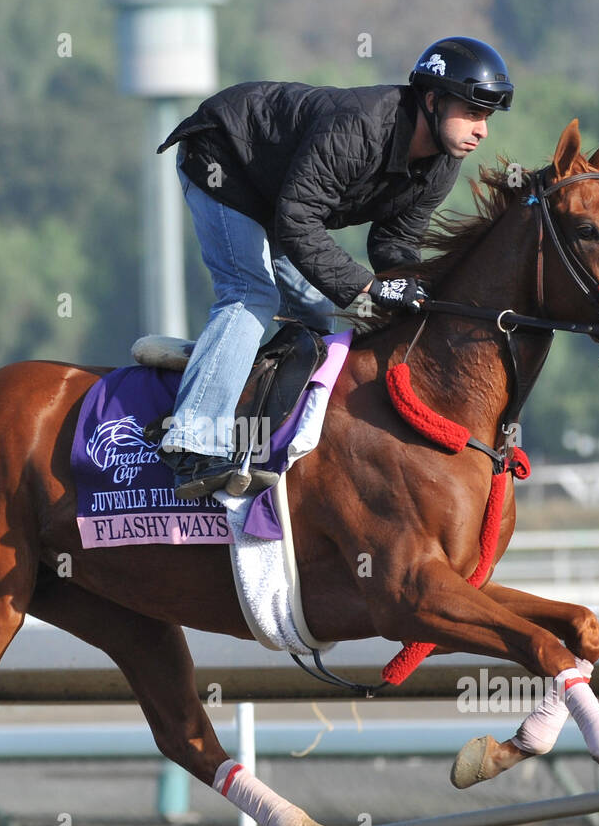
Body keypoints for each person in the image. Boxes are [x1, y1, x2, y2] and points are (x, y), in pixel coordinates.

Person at [156, 36, 514, 499]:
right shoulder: (360, 127)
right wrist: (368, 287)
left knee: (318, 323)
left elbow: (396, 241)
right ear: (432, 100)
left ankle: (270, 437)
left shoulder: (441, 164)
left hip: (281, 194)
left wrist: (415, 293)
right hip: (223, 161)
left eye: (485, 117)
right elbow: (297, 220)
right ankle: (191, 441)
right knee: (251, 293)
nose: (481, 130)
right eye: (472, 112)